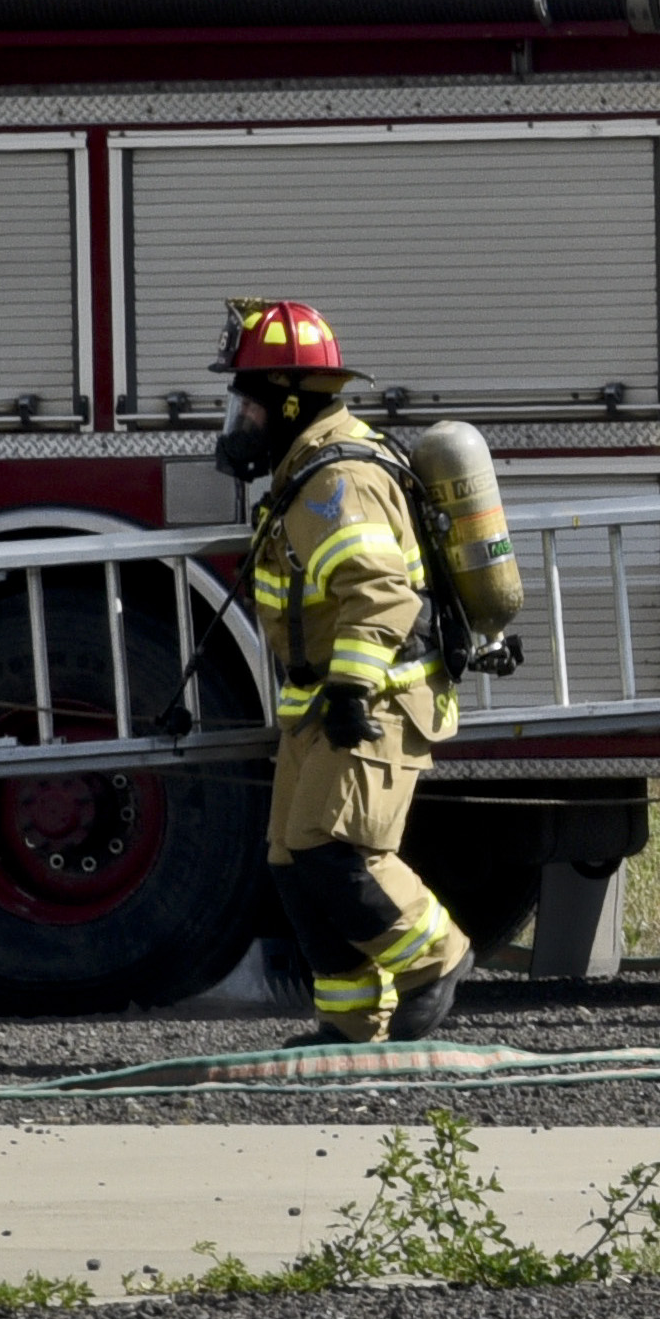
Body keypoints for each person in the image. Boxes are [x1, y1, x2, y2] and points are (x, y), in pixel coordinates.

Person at [216, 299, 476, 1044]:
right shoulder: (306, 471)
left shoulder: (338, 483)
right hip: (320, 702)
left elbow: (382, 590)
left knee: (340, 853)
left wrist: (354, 686)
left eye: (249, 403)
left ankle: (438, 957)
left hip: (374, 700)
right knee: (294, 861)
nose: (241, 420)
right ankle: (349, 1016)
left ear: (291, 402)